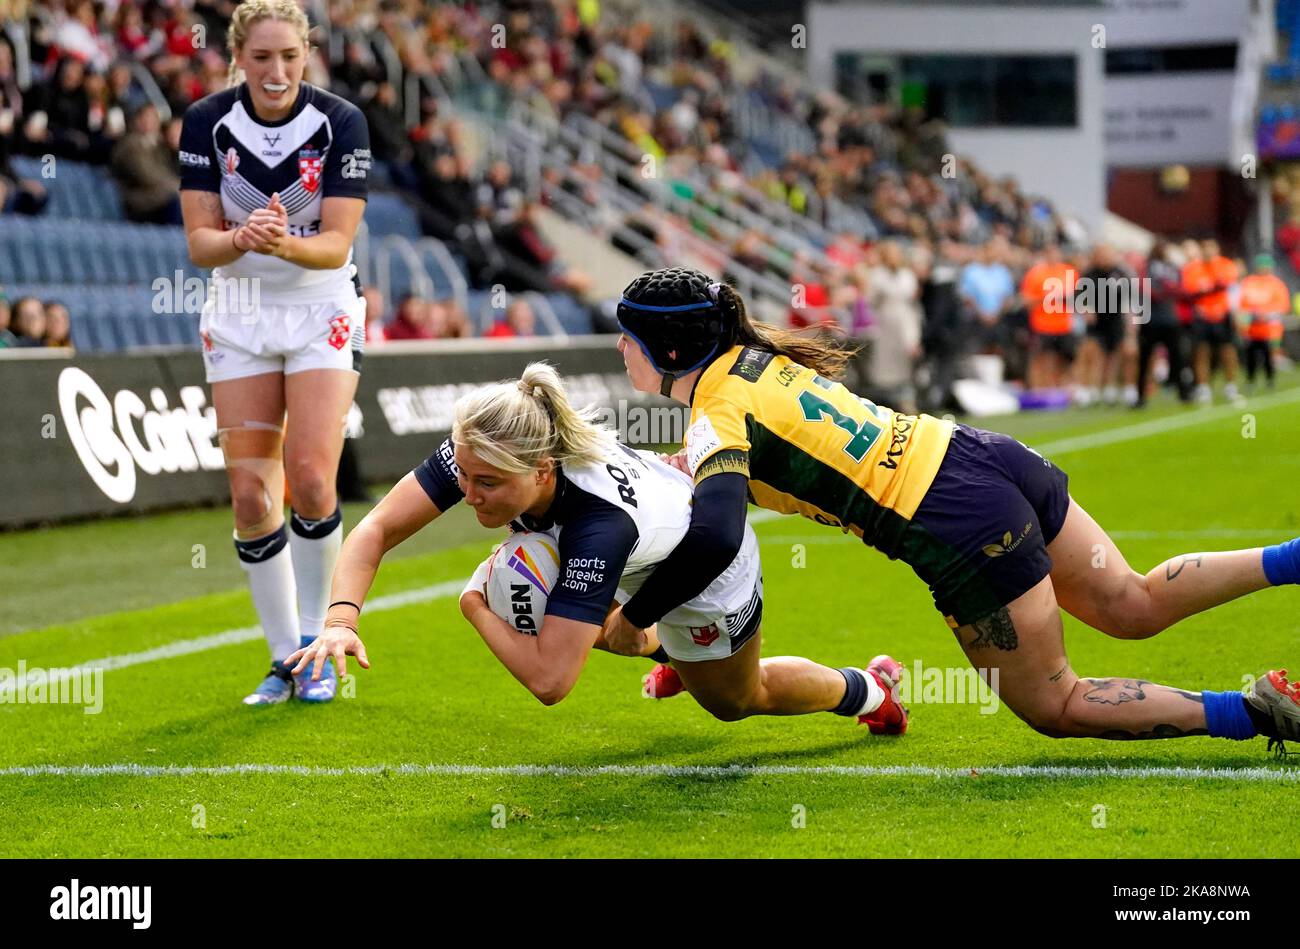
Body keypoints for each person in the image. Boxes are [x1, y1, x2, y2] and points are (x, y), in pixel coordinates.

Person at [601, 267, 1300, 747]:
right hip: (979, 454)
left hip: (959, 526)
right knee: (1133, 601)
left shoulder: (716, 411)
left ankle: (1260, 711)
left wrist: (633, 619)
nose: (618, 349)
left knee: (1056, 703)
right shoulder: (753, 361)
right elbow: (803, 466)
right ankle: (1290, 559)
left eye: (624, 336)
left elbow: (720, 535)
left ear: (662, 348)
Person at [287, 363, 906, 732]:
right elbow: (375, 530)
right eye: (465, 477)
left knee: (740, 700)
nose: (468, 495)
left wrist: (472, 604)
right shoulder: (487, 448)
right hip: (644, 541)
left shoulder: (595, 528)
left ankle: (872, 690)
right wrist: (341, 620)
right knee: (579, 611)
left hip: (702, 567)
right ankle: (670, 653)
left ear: (542, 470)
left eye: (488, 484)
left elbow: (552, 681)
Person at [179, 0, 370, 706]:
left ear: (307, 54)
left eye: (289, 56)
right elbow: (200, 241)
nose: (277, 70)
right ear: (238, 57)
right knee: (253, 492)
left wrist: (280, 240)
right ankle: (283, 654)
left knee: (314, 479)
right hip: (239, 311)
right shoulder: (206, 121)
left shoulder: (340, 122)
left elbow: (337, 243)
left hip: (320, 305)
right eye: (261, 57)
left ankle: (321, 646)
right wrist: (239, 240)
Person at [1135, 240, 1192, 407]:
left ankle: (1182, 391)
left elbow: (1180, 290)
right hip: (1154, 318)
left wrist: (1168, 291)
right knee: (1147, 360)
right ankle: (1142, 395)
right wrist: (1166, 291)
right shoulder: (1149, 267)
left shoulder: (1168, 267)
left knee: (1176, 358)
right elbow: (1147, 290)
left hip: (1166, 318)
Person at [1020, 244, 1076, 391]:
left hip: (1064, 324)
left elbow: (1078, 297)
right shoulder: (1035, 273)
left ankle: (1058, 388)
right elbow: (1026, 300)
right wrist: (1046, 298)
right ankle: (1039, 388)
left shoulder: (1069, 272)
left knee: (1063, 360)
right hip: (1042, 324)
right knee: (1041, 358)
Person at [1236, 253, 1289, 391]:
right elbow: (1242, 304)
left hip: (1270, 329)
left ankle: (1270, 380)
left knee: (1269, 356)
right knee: (1251, 357)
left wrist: (1268, 315)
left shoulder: (1276, 283)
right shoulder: (1249, 282)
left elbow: (1283, 305)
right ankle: (1250, 381)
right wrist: (1249, 317)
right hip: (1251, 328)